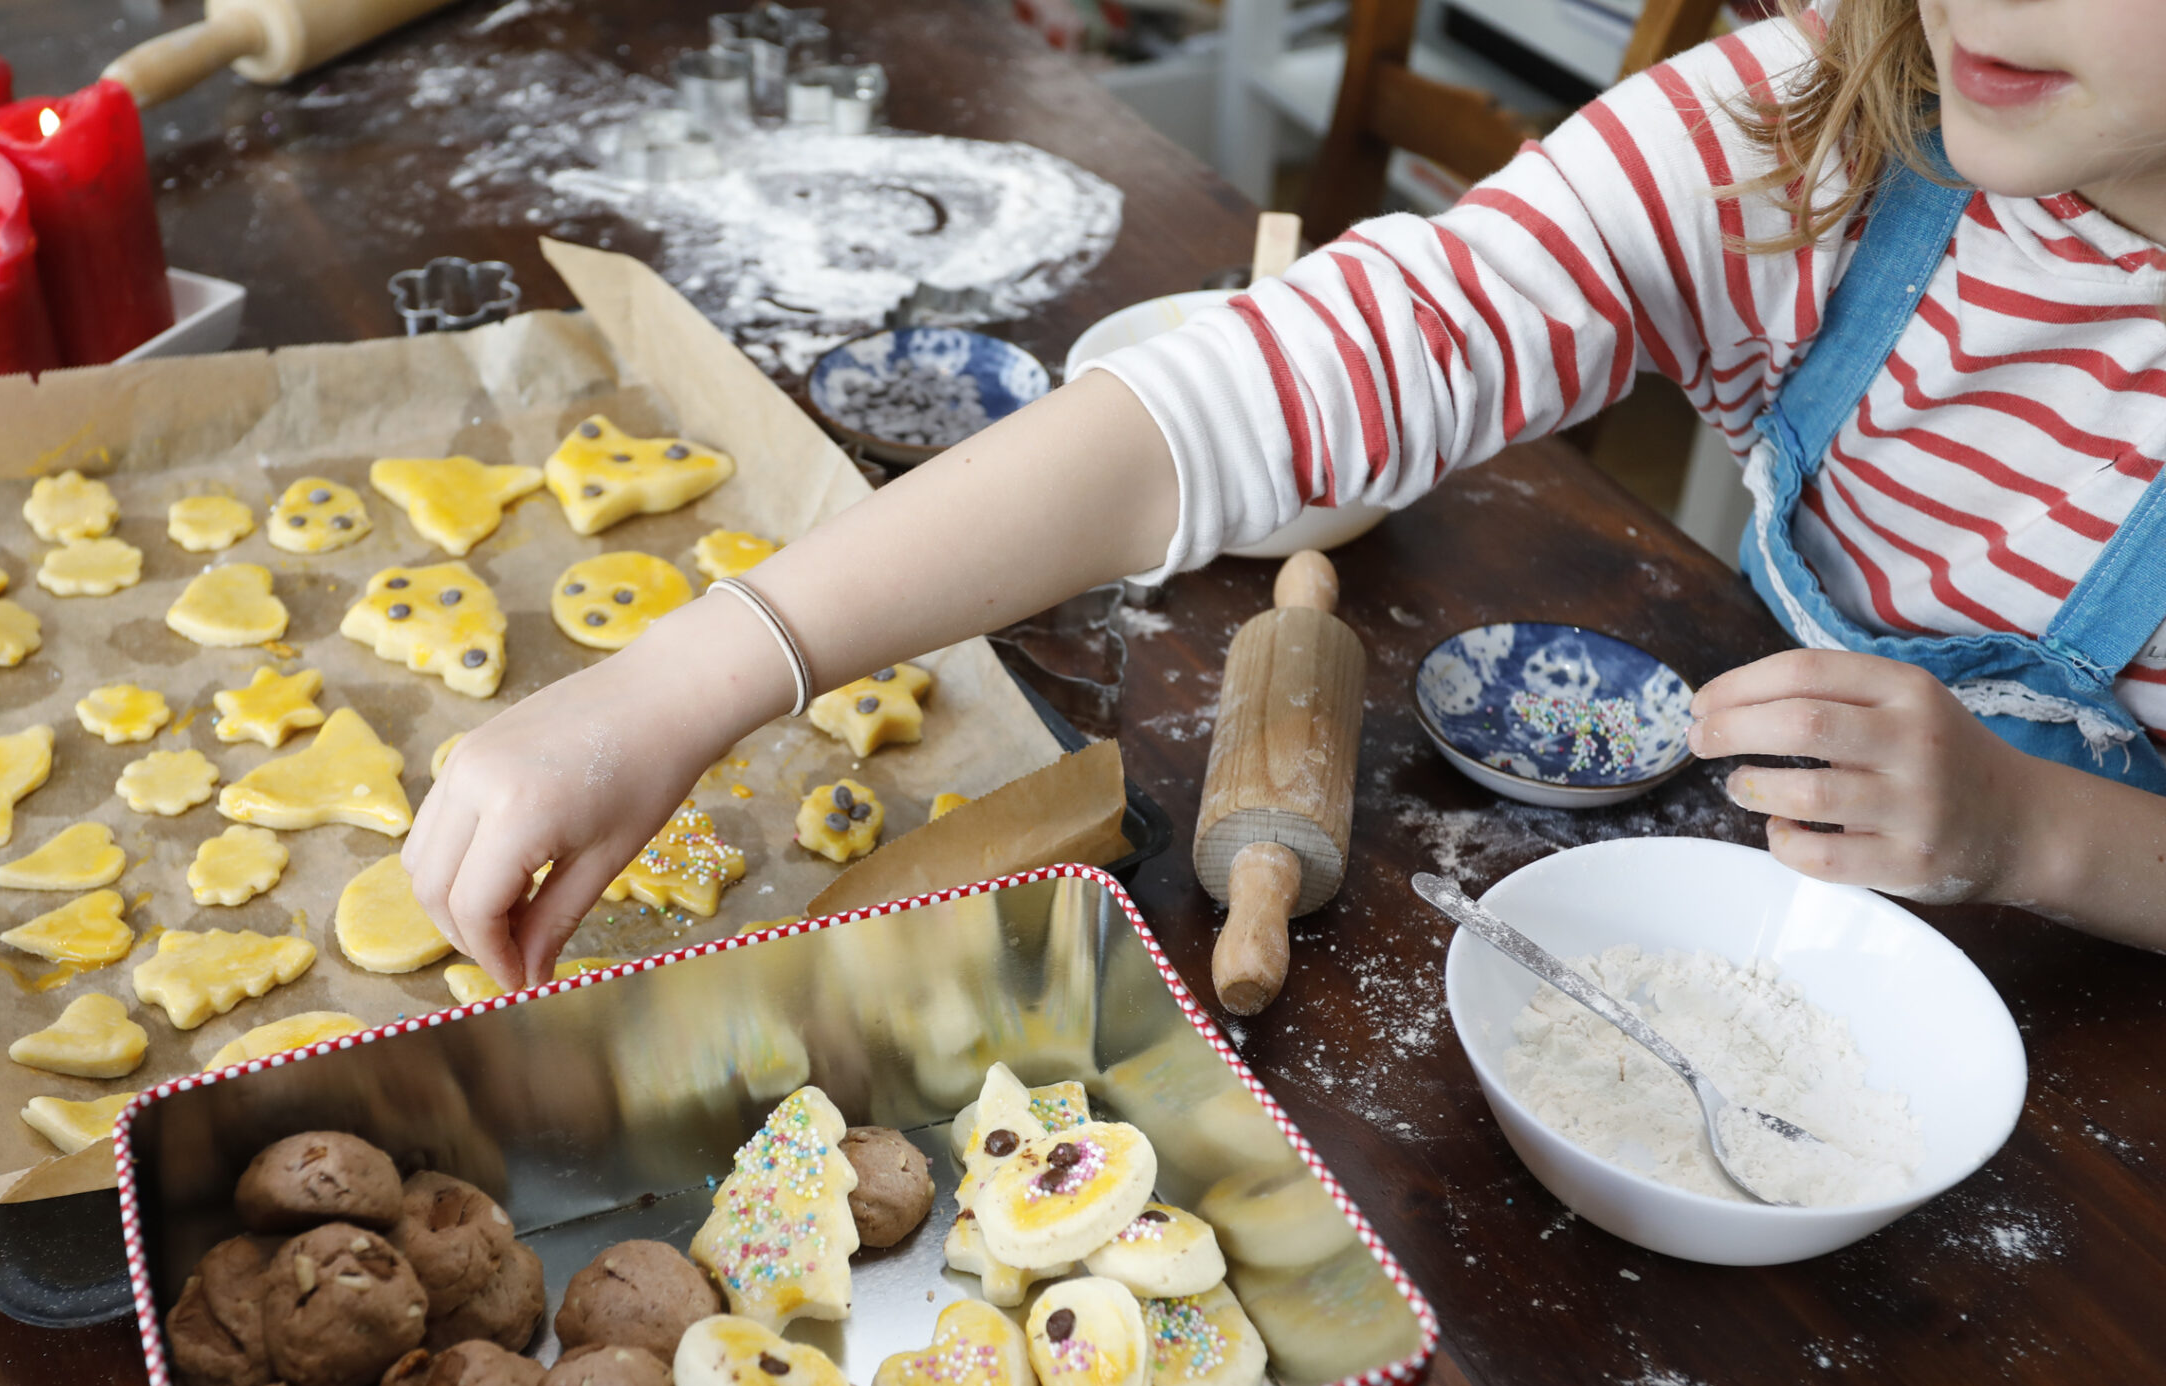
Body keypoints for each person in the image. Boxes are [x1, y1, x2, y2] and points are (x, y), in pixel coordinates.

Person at [409, 0, 2166, 982]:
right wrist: (696, 677)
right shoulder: (1824, 134)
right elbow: (1290, 376)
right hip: (1808, 965)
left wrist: (2040, 832)